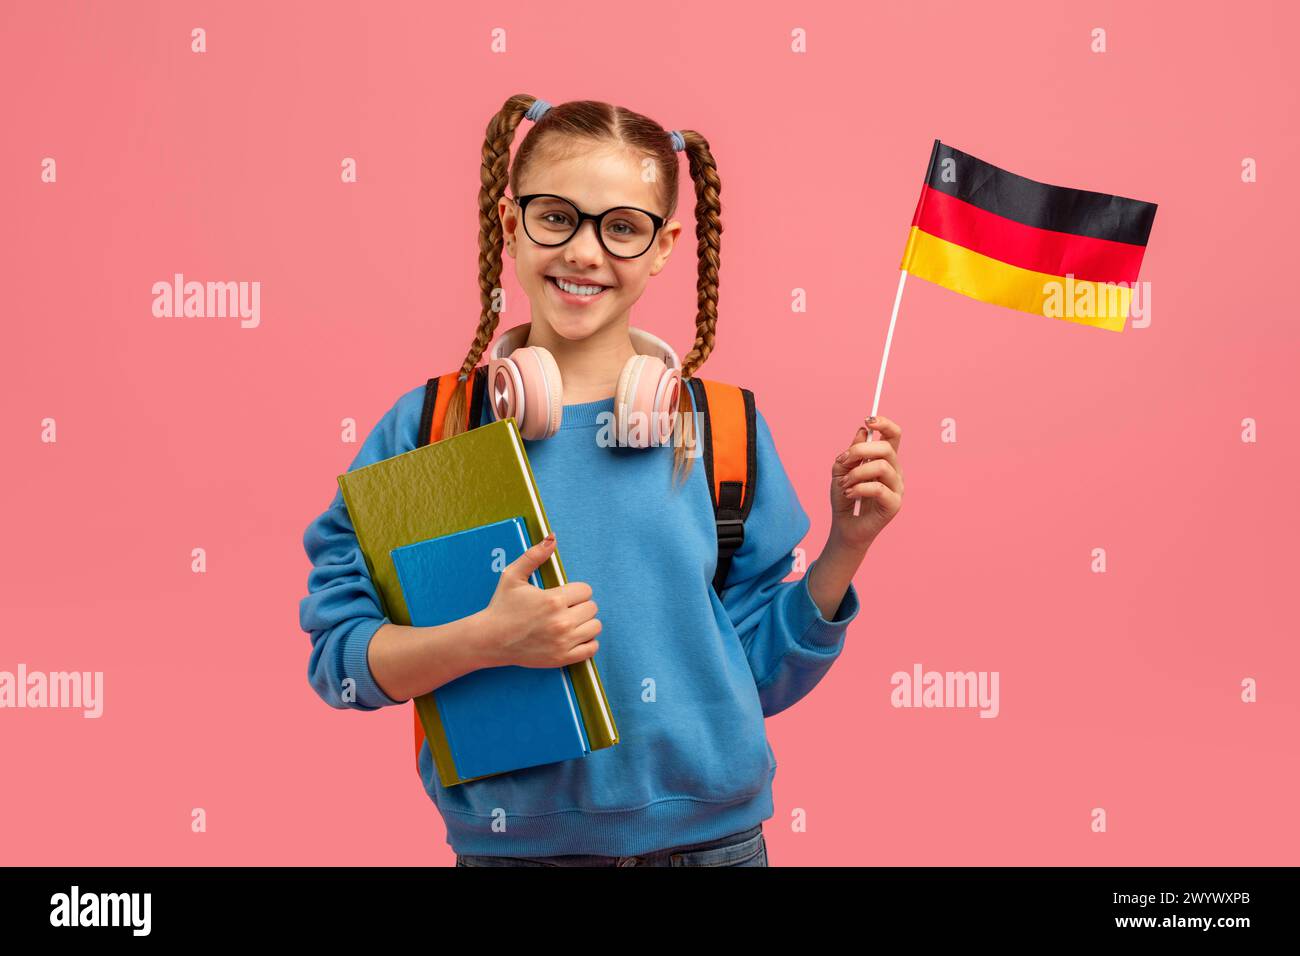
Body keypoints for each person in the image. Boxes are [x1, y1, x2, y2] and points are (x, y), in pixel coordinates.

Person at [298, 95, 905, 867]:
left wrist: (846, 549)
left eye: (621, 227)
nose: (585, 252)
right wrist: (485, 641)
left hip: (714, 850)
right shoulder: (430, 430)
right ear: (510, 223)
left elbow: (757, 676)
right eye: (557, 216)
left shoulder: (720, 432)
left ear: (663, 247)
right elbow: (340, 664)